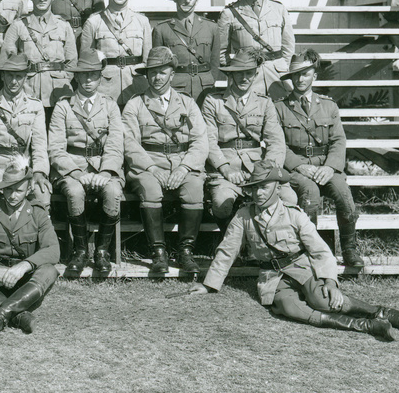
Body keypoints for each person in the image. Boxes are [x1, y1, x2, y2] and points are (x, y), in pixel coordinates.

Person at [187, 162, 399, 341]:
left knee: (323, 300)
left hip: (301, 267)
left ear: (276, 187)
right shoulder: (244, 216)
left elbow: (320, 251)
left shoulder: (294, 214)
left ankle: (380, 311)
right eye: (254, 187)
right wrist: (209, 284)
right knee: (289, 308)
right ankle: (367, 325)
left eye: (263, 187)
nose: (258, 193)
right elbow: (227, 251)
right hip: (272, 276)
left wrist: (330, 282)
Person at [122, 47, 209, 277]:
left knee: (194, 190)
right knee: (150, 189)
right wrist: (151, 167)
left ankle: (185, 252)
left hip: (182, 162)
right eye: (152, 72)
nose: (157, 77)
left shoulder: (188, 103)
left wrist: (185, 167)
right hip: (148, 162)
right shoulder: (135, 104)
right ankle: (158, 254)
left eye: (162, 72)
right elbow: (129, 142)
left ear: (172, 74)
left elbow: (200, 140)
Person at [275, 50, 364, 268]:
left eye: (305, 73)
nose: (300, 78)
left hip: (325, 166)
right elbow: (279, 145)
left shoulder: (328, 106)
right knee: (310, 194)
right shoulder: (280, 107)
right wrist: (299, 166)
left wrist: (331, 167)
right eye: (295, 74)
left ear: (314, 75)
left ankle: (350, 249)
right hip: (297, 170)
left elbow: (338, 141)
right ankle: (310, 250)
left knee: (344, 195)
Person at [0, 158, 61, 338]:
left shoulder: (38, 213)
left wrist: (24, 266)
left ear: (28, 190)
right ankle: (19, 316)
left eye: (18, 191)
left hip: (24, 279)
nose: (12, 196)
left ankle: (0, 315)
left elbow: (53, 249)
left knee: (49, 270)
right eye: (8, 189)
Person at [48, 49, 125, 279]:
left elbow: (115, 143)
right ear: (76, 77)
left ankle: (102, 252)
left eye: (93, 74)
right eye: (84, 75)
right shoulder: (63, 107)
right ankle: (80, 251)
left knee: (112, 190)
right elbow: (55, 147)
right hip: (72, 165)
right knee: (74, 190)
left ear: (100, 77)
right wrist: (75, 172)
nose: (89, 80)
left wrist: (105, 172)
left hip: (103, 165)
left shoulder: (110, 105)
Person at [202, 49, 294, 227]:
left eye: (249, 73)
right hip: (225, 166)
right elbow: (208, 142)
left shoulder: (265, 102)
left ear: (256, 74)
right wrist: (225, 169)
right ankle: (232, 247)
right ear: (231, 74)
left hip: (258, 166)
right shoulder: (214, 101)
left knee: (289, 197)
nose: (244, 78)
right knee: (222, 204)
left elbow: (276, 141)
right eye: (239, 73)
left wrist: (267, 172)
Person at [0, 53, 50, 212]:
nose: (14, 81)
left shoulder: (35, 106)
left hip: (23, 168)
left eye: (18, 76)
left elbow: (40, 145)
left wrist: (40, 172)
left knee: (42, 195)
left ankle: (32, 235)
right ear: (2, 75)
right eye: (10, 75)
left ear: (25, 77)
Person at [218, 0, 294, 101]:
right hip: (246, 77)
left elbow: (288, 47)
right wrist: (237, 73)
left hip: (277, 76)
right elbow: (222, 52)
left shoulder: (279, 9)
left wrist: (282, 68)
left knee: (281, 114)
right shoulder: (230, 13)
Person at [0, 0, 77, 112]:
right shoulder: (18, 26)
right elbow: (6, 62)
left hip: (58, 92)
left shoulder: (64, 26)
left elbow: (72, 62)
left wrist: (62, 80)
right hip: (28, 91)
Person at [79, 0, 152, 106]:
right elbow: (86, 60)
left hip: (135, 86)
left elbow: (148, 60)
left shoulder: (142, 21)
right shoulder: (94, 21)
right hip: (106, 88)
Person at [152, 0, 220, 101]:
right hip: (176, 88)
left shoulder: (211, 27)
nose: (187, 0)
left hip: (204, 88)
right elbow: (158, 66)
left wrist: (209, 81)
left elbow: (215, 62)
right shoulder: (162, 29)